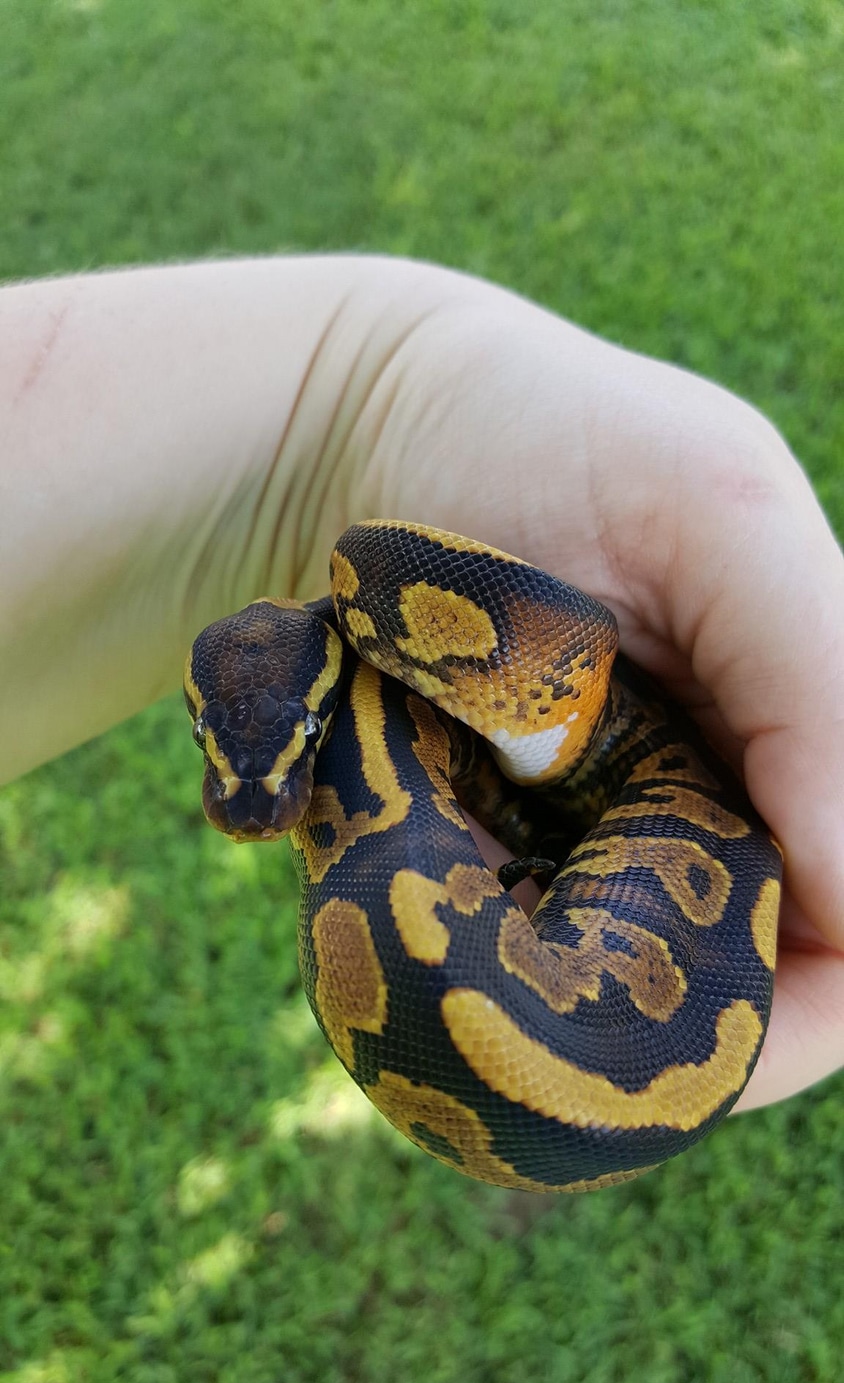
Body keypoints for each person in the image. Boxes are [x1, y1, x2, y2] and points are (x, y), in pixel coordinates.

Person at [1, 256, 842, 1112]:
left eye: (299, 740)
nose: (258, 801)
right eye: (217, 751)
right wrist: (392, 377)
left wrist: (402, 384)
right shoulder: (351, 632)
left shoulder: (373, 594)